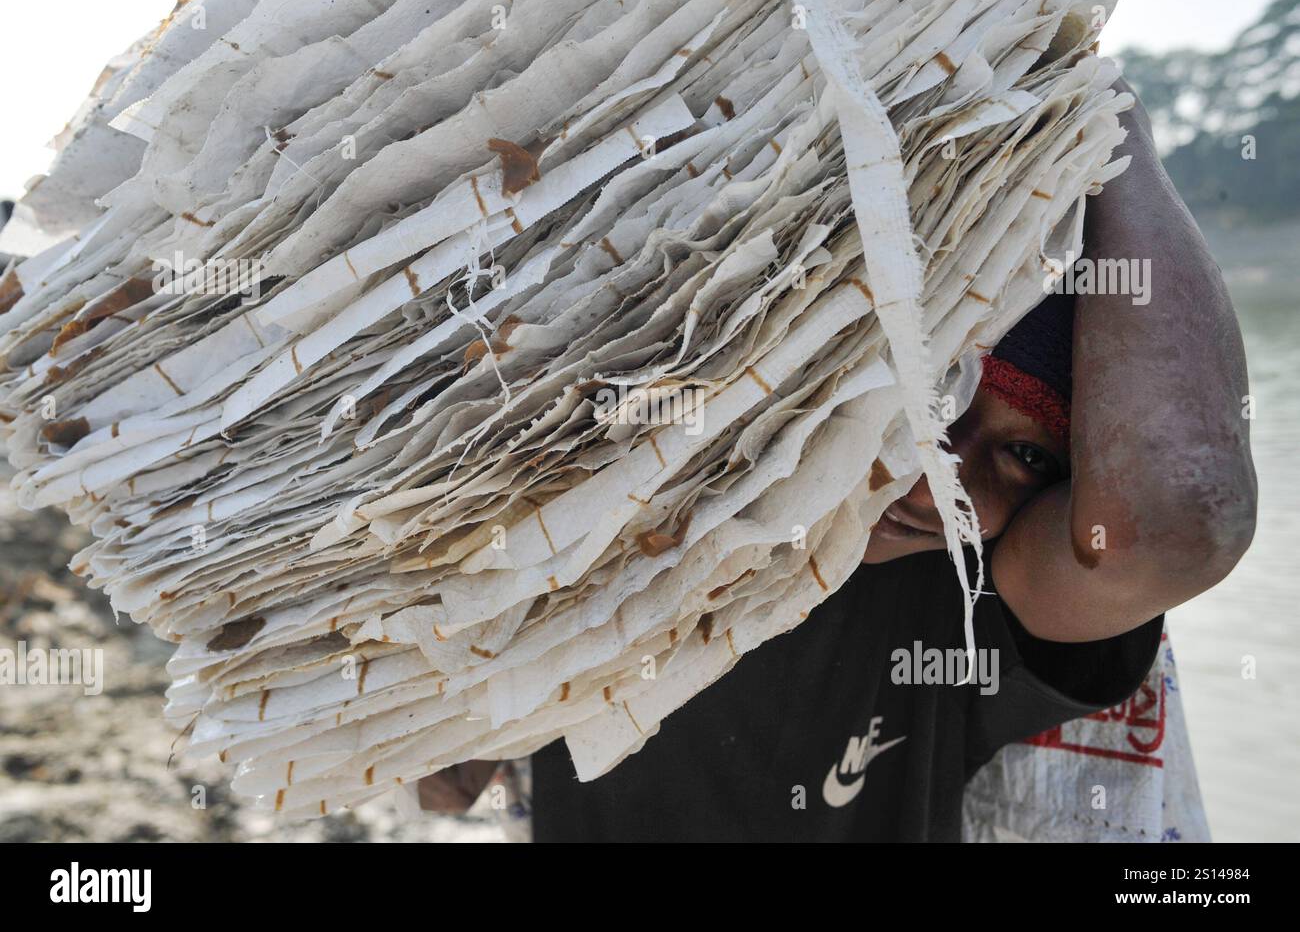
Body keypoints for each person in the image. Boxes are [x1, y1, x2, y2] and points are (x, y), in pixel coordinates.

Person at [416, 83, 1257, 841]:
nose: (941, 480)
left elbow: (1180, 514)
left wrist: (1110, 118)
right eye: (930, 405)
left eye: (1026, 453)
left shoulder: (968, 614)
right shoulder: (613, 520)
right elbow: (443, 782)